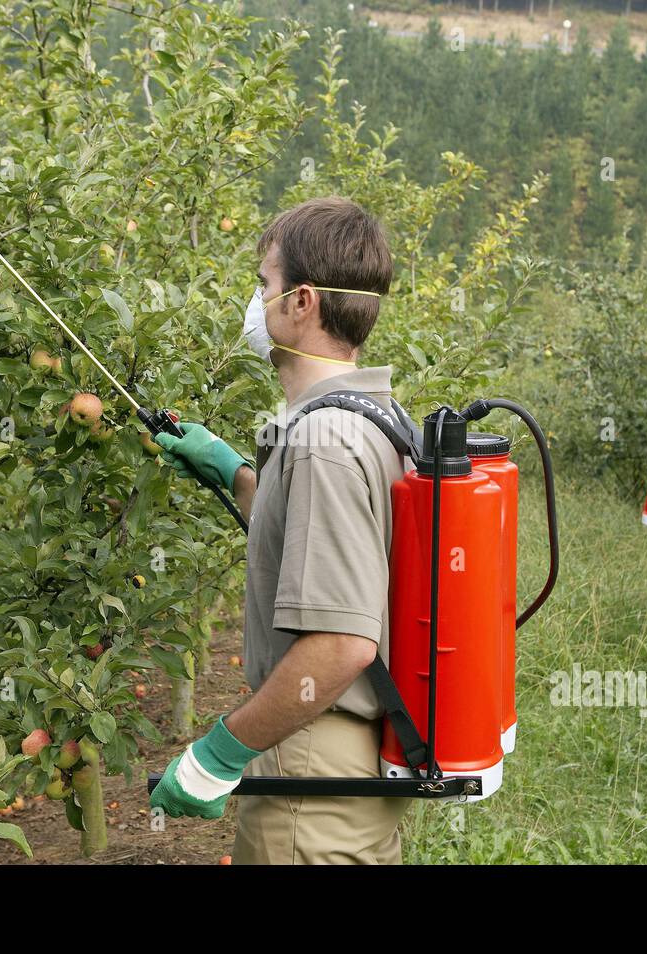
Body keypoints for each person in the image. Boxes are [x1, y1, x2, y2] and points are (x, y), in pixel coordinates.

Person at [147, 196, 411, 864]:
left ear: (302, 302)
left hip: (310, 767)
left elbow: (341, 642)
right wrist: (230, 469)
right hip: (343, 757)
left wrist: (217, 755)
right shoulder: (373, 414)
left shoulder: (324, 439)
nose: (254, 302)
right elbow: (326, 539)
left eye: (263, 285)